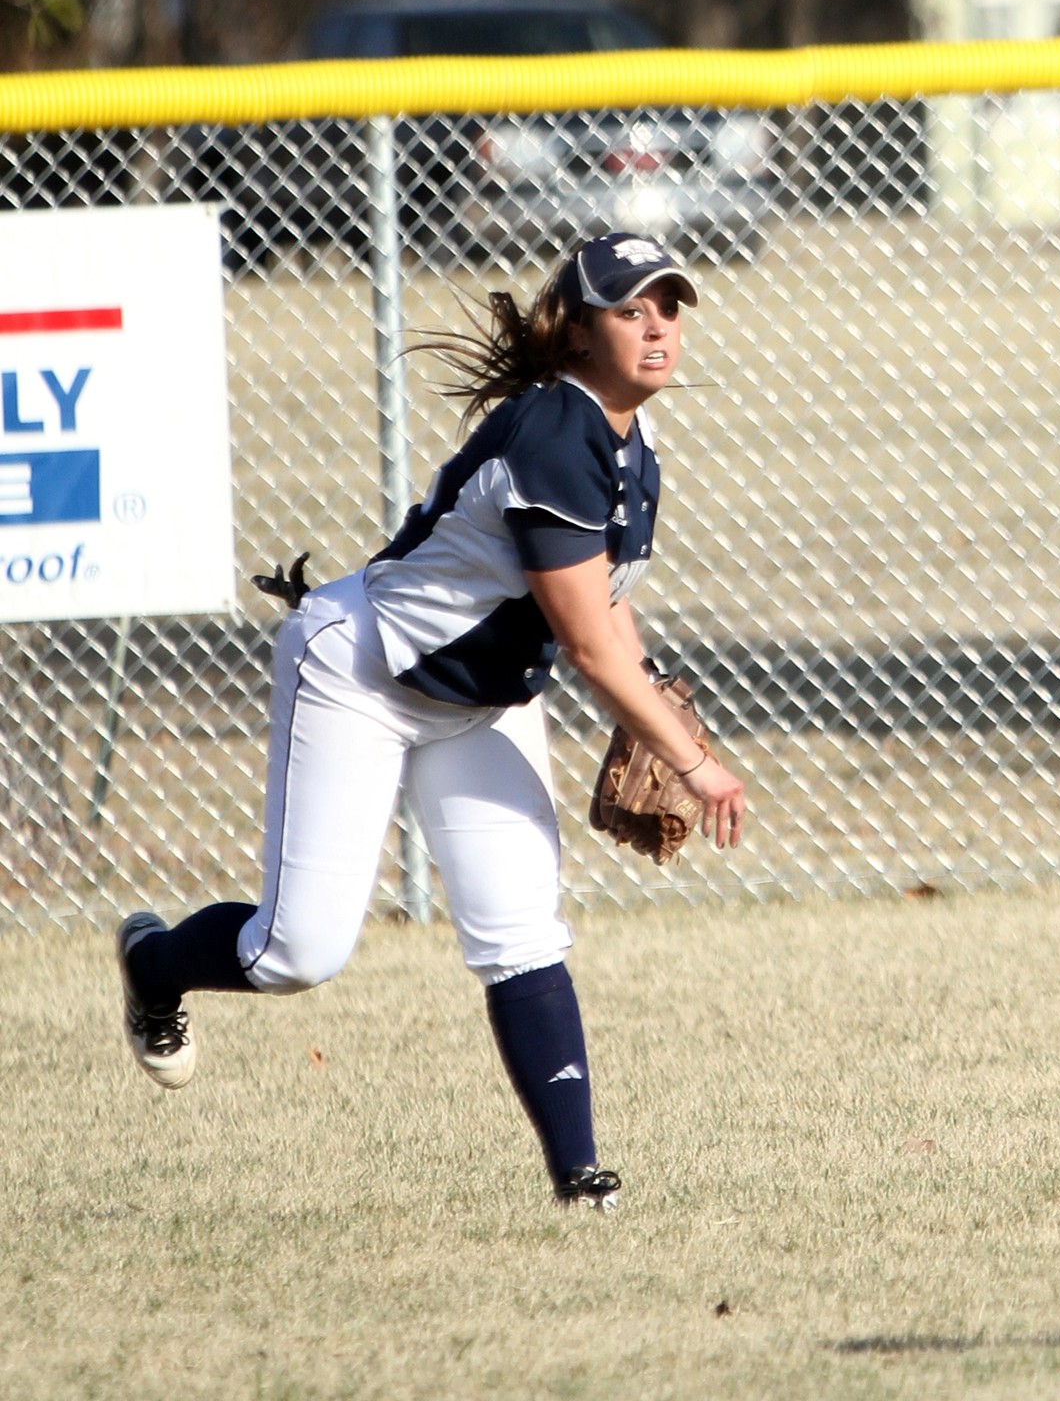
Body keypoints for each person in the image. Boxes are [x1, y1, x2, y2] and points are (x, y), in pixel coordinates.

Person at [115, 231, 748, 1210]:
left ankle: (580, 1179)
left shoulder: (631, 443)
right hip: (361, 672)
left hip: (478, 702)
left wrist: (654, 690)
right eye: (631, 309)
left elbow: (604, 602)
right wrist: (695, 761)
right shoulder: (554, 435)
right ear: (578, 333)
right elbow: (584, 644)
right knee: (298, 953)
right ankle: (153, 964)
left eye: (669, 305)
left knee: (521, 930)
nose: (659, 325)